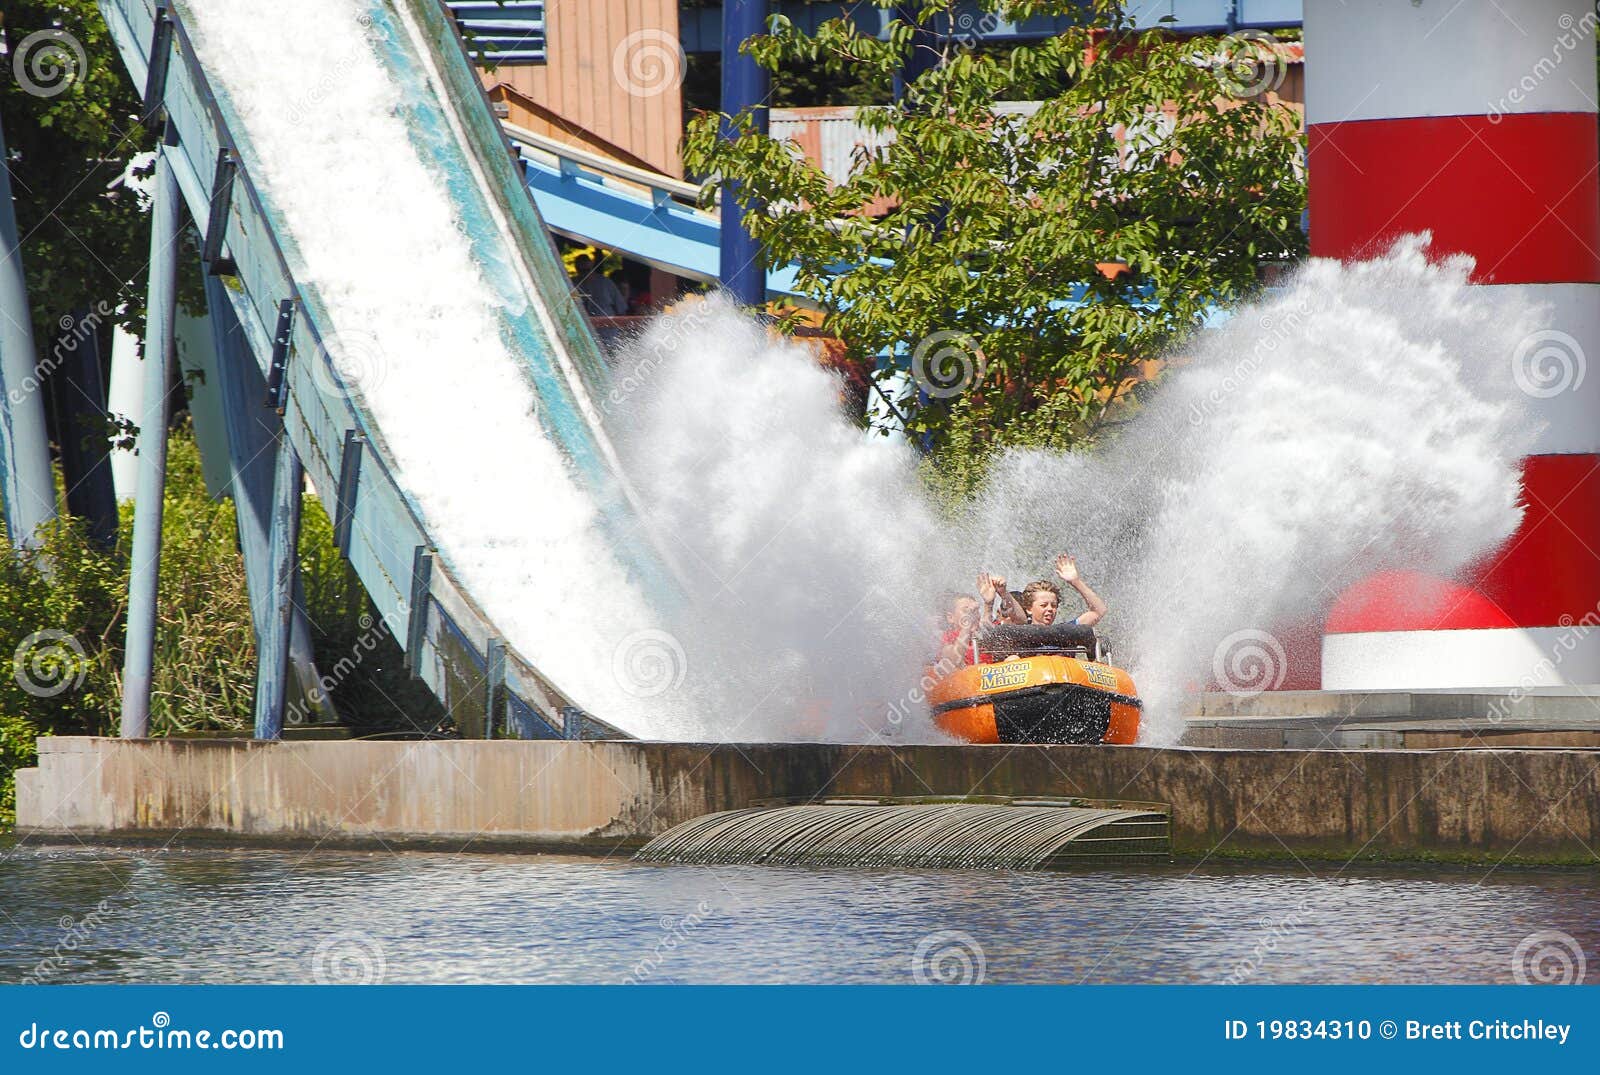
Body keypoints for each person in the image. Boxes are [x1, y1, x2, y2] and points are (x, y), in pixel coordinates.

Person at [1019, 554, 1108, 628]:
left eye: (1054, 605)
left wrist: (1076, 581)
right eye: (1044, 605)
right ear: (1029, 609)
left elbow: (1099, 611)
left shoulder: (1065, 632)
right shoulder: (1018, 634)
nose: (1050, 609)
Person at [935, 592, 983, 670]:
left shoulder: (984, 634)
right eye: (966, 610)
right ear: (951, 617)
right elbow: (954, 660)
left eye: (975, 610)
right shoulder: (946, 639)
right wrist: (967, 624)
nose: (973, 614)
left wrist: (989, 604)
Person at [573, 254, 628, 318]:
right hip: (583, 325)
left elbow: (621, 309)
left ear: (592, 266)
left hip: (608, 326)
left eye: (587, 270)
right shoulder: (572, 284)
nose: (585, 274)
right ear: (576, 269)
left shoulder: (606, 282)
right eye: (581, 270)